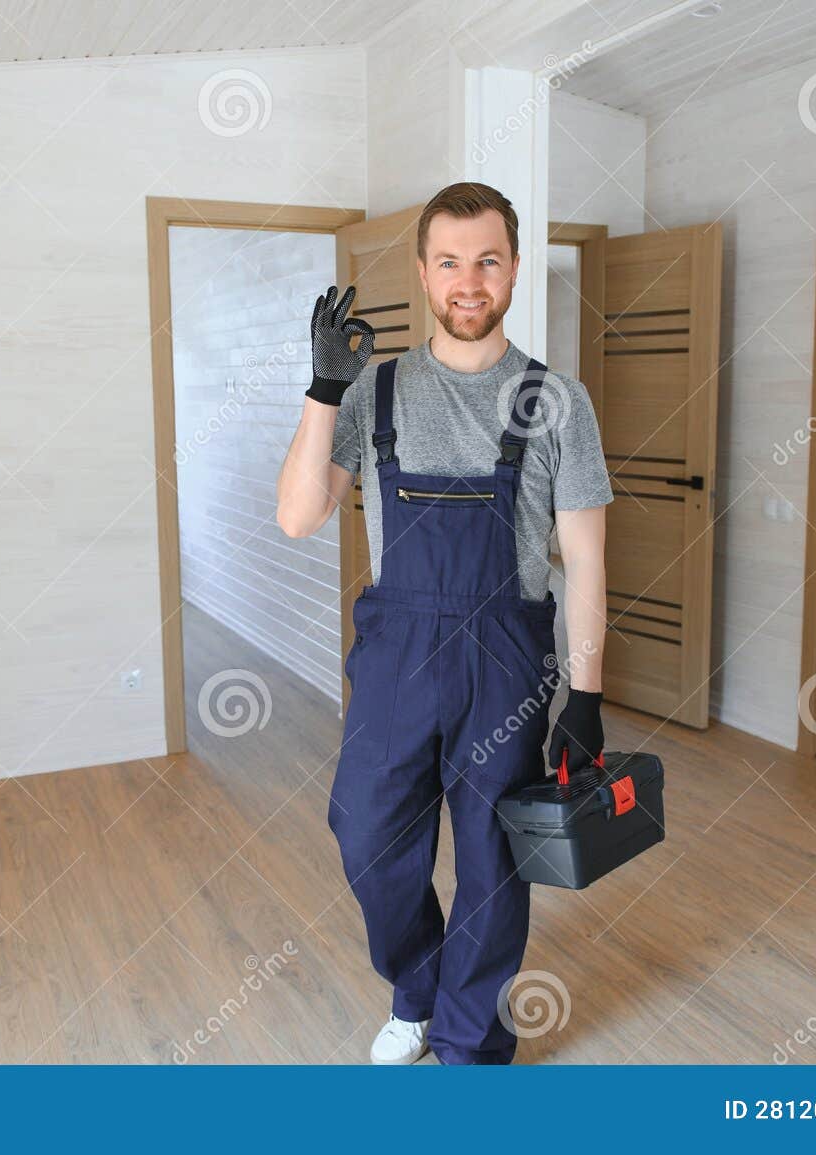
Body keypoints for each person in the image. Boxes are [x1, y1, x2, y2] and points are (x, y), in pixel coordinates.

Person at [276, 181, 612, 1065]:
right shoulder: (372, 393)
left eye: (489, 261)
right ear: (424, 273)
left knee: (493, 861)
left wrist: (586, 694)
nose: (471, 281)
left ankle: (470, 1039)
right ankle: (417, 985)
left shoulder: (556, 402)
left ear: (513, 270)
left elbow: (585, 561)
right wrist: (321, 390)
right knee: (365, 835)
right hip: (397, 660)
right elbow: (297, 517)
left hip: (505, 662)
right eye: (451, 262)